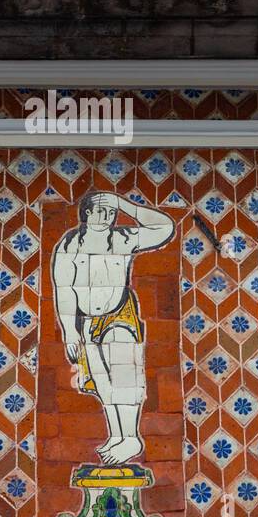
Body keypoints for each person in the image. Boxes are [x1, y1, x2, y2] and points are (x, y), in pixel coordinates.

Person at [52, 190, 174, 466]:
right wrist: (70, 330)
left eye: (110, 211)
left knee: (124, 373)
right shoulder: (70, 244)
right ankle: (118, 435)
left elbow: (164, 228)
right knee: (103, 382)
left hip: (120, 314)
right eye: (99, 210)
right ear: (85, 214)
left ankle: (132, 436)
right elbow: (64, 289)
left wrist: (124, 204)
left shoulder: (122, 238)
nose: (105, 216)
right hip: (88, 323)